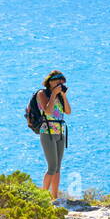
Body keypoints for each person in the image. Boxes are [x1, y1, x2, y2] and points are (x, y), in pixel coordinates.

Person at [37, 70, 71, 199]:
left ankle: (54, 197)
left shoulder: (60, 97)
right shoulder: (42, 93)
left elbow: (68, 111)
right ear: (50, 82)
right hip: (47, 132)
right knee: (52, 166)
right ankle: (42, 197)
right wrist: (53, 95)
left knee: (58, 168)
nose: (60, 84)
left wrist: (63, 96)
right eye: (58, 81)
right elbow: (48, 110)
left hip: (60, 132)